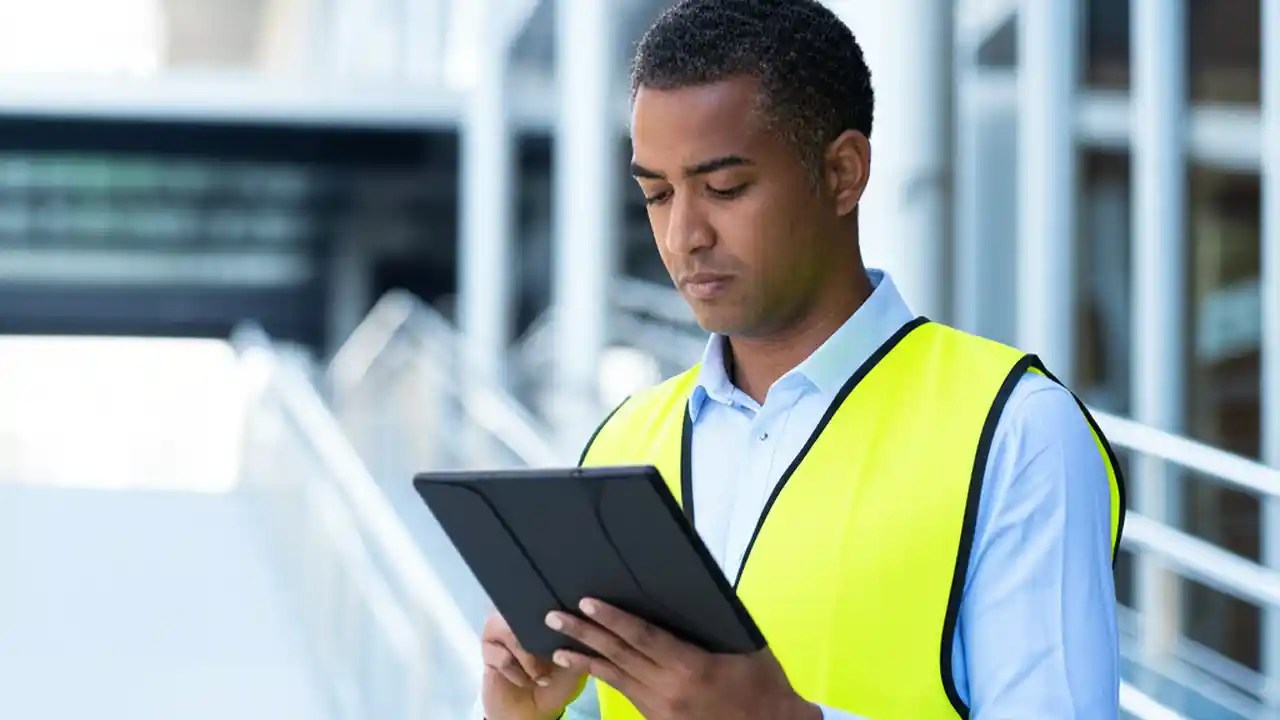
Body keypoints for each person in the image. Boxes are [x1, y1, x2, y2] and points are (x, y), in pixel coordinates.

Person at [480, 0, 1126, 718]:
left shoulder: (1017, 432)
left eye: (724, 188)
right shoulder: (620, 443)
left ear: (844, 173)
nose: (683, 235)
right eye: (657, 195)